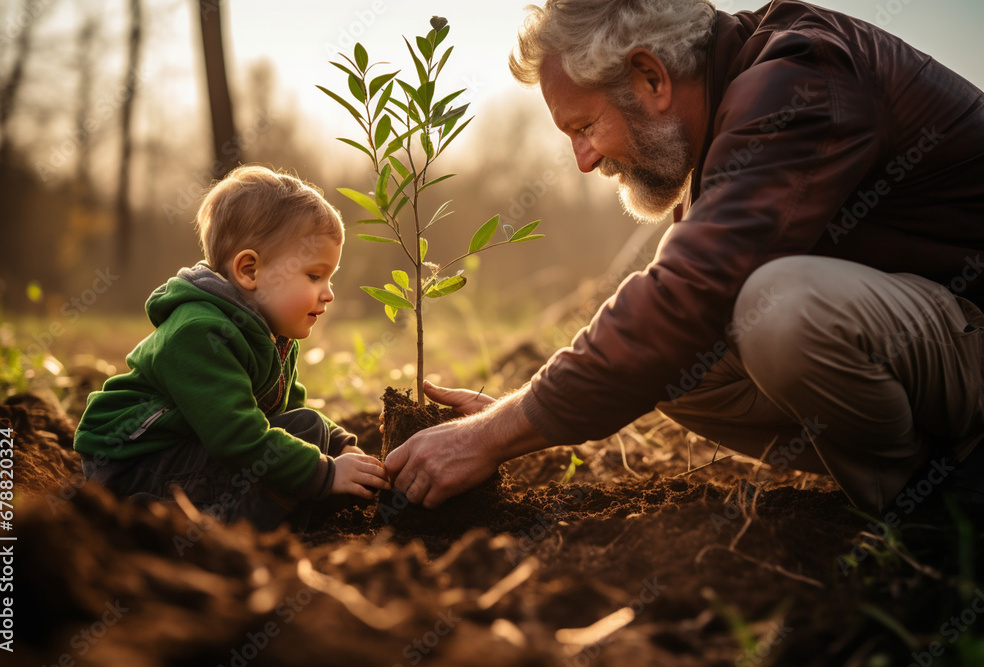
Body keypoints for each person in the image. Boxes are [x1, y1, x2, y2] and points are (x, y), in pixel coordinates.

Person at [385, 0, 984, 516]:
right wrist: (515, 415)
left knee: (779, 307)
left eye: (584, 126)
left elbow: (690, 292)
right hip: (942, 340)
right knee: (676, 360)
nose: (584, 161)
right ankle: (928, 479)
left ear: (651, 77)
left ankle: (934, 514)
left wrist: (493, 435)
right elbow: (665, 318)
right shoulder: (730, 118)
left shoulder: (800, 77)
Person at [75, 165, 390, 530]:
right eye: (314, 276)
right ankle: (205, 526)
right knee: (304, 442)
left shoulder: (273, 335)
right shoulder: (199, 333)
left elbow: (290, 409)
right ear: (250, 271)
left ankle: (281, 515)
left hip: (187, 449)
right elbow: (237, 437)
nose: (329, 293)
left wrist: (337, 445)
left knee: (307, 428)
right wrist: (326, 473)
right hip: (133, 465)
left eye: (330, 278)